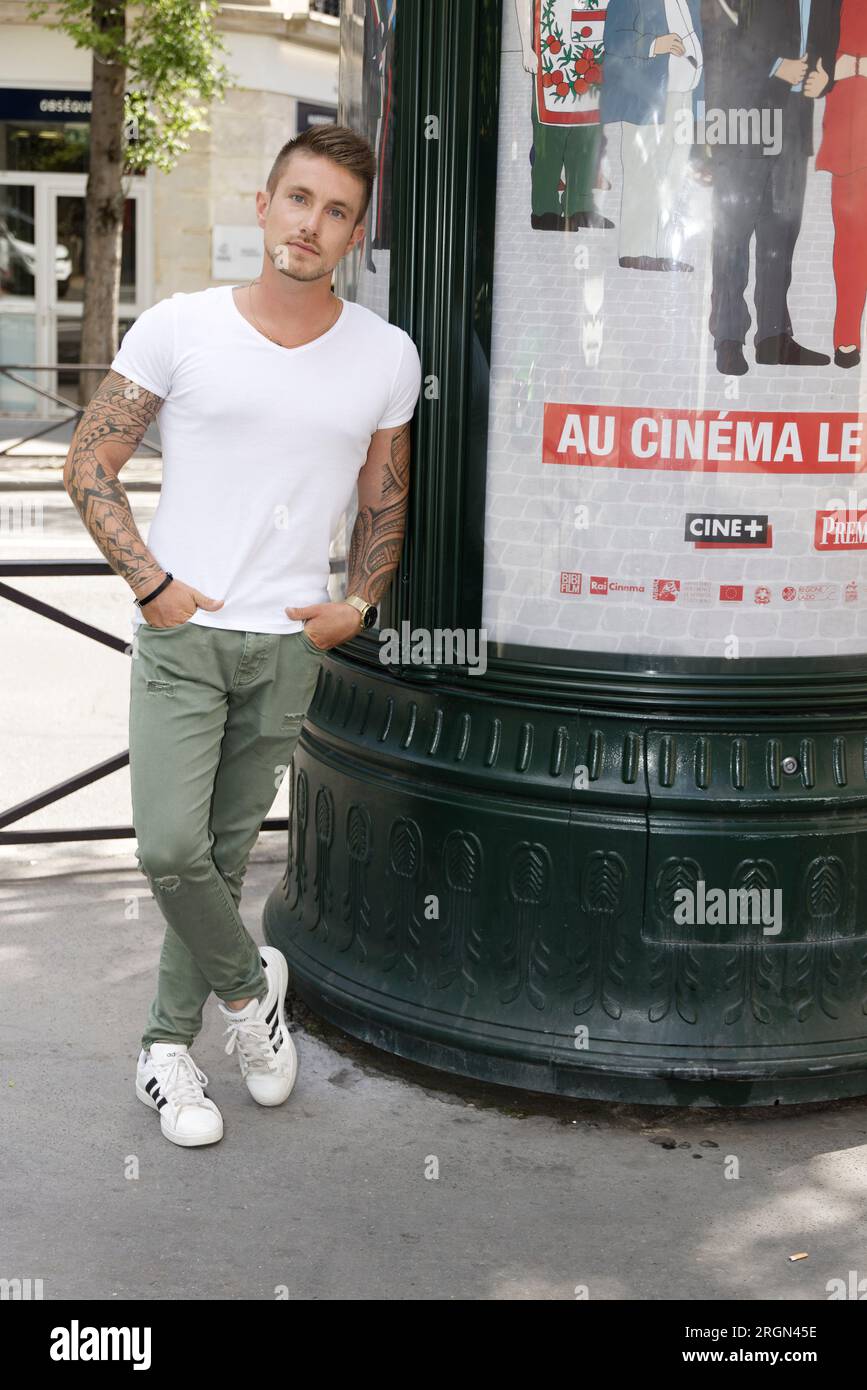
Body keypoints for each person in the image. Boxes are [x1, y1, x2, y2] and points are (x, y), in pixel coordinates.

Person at [62, 124, 422, 1148]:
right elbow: (89, 463)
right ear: (263, 206)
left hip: (290, 647)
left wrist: (361, 603)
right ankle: (247, 993)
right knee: (171, 849)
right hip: (186, 635)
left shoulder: (385, 355)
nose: (314, 224)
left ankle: (166, 1052)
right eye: (299, 199)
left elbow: (384, 499)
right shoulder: (181, 327)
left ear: (354, 233)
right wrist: (155, 583)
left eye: (338, 210)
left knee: (219, 861)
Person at [705, 0, 840, 375]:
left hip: (795, 124)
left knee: (781, 235)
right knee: (734, 231)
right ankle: (729, 338)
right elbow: (720, 35)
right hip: (744, 116)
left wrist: (823, 75)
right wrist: (777, 66)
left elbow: (826, 41)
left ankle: (773, 338)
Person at [601, 0, 704, 271]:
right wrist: (654, 44)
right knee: (643, 173)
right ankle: (636, 250)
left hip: (684, 93)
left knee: (673, 172)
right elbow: (613, 40)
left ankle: (663, 250)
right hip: (644, 99)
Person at [815, 0, 867, 367]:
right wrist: (836, 69)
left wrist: (859, 66)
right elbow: (812, 61)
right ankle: (847, 334)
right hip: (850, 126)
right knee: (851, 236)